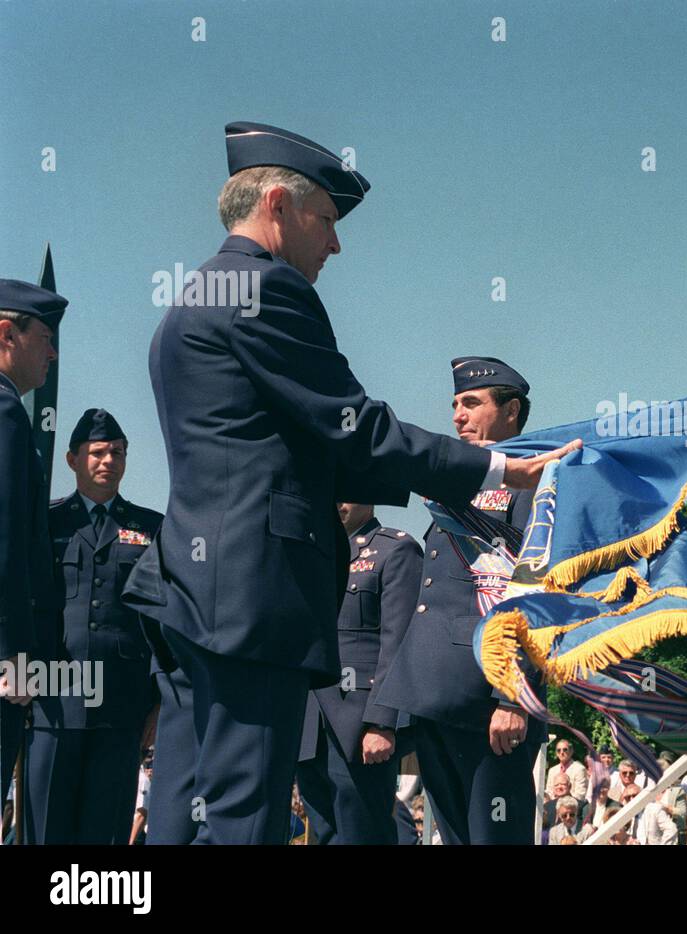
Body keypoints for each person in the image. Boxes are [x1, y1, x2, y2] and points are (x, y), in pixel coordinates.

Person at [123, 123, 576, 845]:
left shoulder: (200, 293)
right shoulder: (265, 288)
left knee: (208, 806)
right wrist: (499, 466)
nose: (335, 244)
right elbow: (355, 429)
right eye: (327, 220)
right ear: (278, 203)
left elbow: (326, 448)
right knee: (245, 816)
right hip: (252, 594)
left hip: (202, 588)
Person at [376, 356, 547, 844]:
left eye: (471, 403)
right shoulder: (460, 487)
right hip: (433, 696)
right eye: (454, 405)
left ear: (511, 410)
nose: (457, 417)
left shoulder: (536, 483)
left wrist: (515, 697)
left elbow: (535, 593)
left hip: (487, 701)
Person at [23, 409, 162, 844]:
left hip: (123, 706)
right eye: (97, 452)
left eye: (118, 452)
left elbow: (163, 620)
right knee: (44, 826)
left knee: (104, 832)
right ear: (72, 460)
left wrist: (158, 701)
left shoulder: (152, 528)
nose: (109, 461)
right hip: (51, 699)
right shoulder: (44, 523)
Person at [295, 503, 421, 844]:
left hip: (359, 725)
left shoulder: (395, 549)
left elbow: (400, 644)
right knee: (322, 834)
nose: (338, 500)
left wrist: (383, 722)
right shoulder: (311, 552)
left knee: (363, 833)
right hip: (309, 723)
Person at [0, 280, 65, 810]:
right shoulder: (4, 415)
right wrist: (13, 655)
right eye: (44, 337)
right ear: (6, 334)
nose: (53, 353)